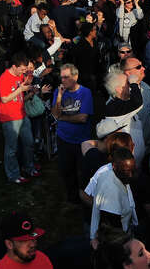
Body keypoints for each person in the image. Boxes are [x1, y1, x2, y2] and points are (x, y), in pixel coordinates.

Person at [51, 63, 92, 202]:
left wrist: (63, 118)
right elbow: (55, 114)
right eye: (61, 77)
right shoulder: (59, 92)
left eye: (66, 77)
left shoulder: (85, 92)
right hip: (64, 139)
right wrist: (59, 97)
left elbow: (83, 117)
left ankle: (85, 197)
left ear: (75, 76)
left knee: (83, 171)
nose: (62, 81)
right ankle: (73, 198)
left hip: (82, 141)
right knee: (67, 170)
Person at [0, 53, 37, 184]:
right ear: (14, 66)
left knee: (29, 143)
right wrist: (20, 89)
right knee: (11, 149)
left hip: (22, 115)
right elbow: (4, 99)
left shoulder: (19, 76)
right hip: (10, 118)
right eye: (22, 69)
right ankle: (13, 175)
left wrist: (29, 89)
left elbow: (20, 96)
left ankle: (28, 167)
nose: (23, 72)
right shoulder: (4, 78)